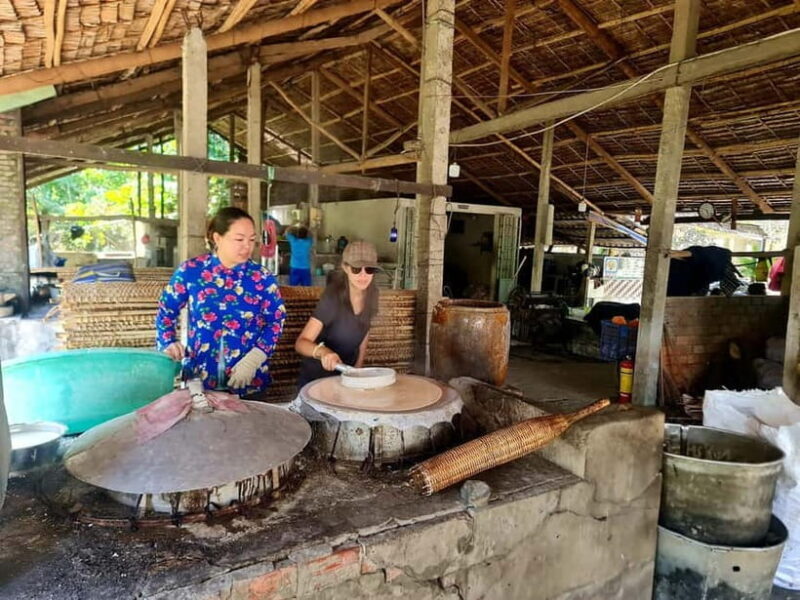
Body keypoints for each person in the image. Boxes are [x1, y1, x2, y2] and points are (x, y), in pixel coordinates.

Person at [156, 207, 286, 396]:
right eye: (239, 239)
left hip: (248, 379)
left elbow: (276, 320)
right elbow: (166, 311)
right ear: (217, 238)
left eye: (252, 240)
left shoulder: (261, 277)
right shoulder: (191, 271)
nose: (247, 246)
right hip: (200, 378)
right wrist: (168, 341)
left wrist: (255, 358)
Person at [294, 240, 380, 387]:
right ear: (345, 267)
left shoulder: (373, 294)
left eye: (369, 269)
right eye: (356, 269)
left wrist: (358, 369)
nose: (363, 275)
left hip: (346, 377)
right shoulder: (332, 298)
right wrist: (323, 352)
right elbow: (301, 343)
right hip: (316, 380)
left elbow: (365, 331)